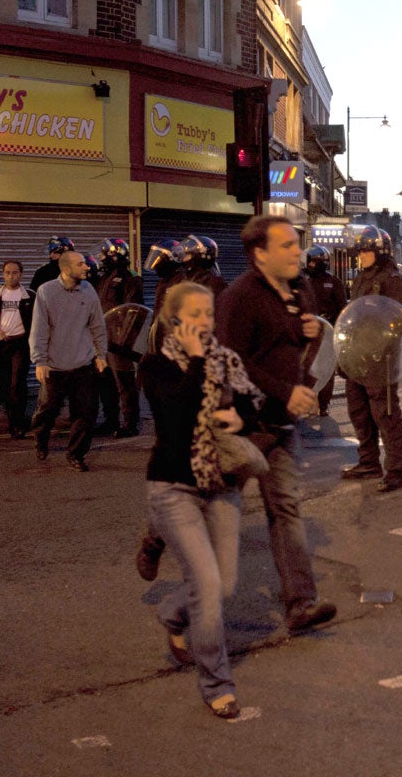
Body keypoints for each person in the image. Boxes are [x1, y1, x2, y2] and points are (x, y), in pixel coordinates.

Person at [140, 281, 263, 720]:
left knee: (222, 584)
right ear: (174, 321)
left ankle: (174, 616)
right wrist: (195, 362)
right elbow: (175, 416)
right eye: (195, 314)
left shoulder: (226, 361)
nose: (205, 322)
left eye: (209, 314)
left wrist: (240, 415)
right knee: (208, 584)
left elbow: (253, 402)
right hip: (173, 487)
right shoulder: (155, 366)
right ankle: (217, 683)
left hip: (221, 484)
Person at [215, 214, 336, 633]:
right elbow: (230, 361)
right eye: (285, 245)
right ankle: (164, 549)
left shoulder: (300, 290)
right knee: (211, 509)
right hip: (241, 425)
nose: (296, 251)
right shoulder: (239, 296)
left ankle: (300, 604)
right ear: (260, 254)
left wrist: (310, 339)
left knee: (285, 510)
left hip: (279, 426)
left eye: (296, 244)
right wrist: (285, 391)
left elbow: (290, 350)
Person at [338, 225, 402, 493]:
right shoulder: (360, 279)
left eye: (367, 252)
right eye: (360, 252)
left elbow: (399, 321)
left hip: (380, 360)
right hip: (357, 357)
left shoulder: (393, 280)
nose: (362, 256)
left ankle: (395, 470)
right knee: (359, 413)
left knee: (386, 414)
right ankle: (369, 462)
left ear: (380, 252)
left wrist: (385, 350)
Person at [29, 250, 108, 471]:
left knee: (85, 413)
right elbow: (39, 328)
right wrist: (40, 360)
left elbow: (97, 325)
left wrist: (100, 355)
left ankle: (76, 454)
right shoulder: (46, 292)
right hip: (54, 366)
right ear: (66, 269)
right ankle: (41, 438)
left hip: (83, 364)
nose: (87, 267)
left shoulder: (89, 290)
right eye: (81, 264)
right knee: (47, 411)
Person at [0, 259, 36, 439]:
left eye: (15, 273)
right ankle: (14, 419)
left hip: (21, 344)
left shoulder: (30, 295)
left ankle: (18, 423)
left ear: (21, 274)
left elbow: (39, 320)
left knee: (17, 383)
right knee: (4, 385)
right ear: (3, 274)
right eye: (8, 273)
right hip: (1, 345)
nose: (11, 276)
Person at [94, 237, 145, 437]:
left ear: (114, 255)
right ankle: (110, 420)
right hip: (103, 339)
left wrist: (124, 340)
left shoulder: (130, 277)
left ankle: (130, 424)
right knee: (105, 382)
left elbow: (133, 311)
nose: (101, 257)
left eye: (104, 254)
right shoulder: (105, 277)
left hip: (119, 341)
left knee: (124, 384)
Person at [303, 244, 347, 416]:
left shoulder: (333, 282)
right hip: (305, 332)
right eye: (311, 262)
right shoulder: (301, 281)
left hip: (327, 332)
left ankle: (324, 403)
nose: (312, 266)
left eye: (315, 262)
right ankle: (306, 401)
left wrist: (337, 330)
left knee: (326, 369)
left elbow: (342, 308)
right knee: (306, 368)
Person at [147, 238, 183, 315]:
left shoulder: (182, 281)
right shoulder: (162, 282)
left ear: (170, 259)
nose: (156, 264)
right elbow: (157, 309)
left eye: (159, 259)